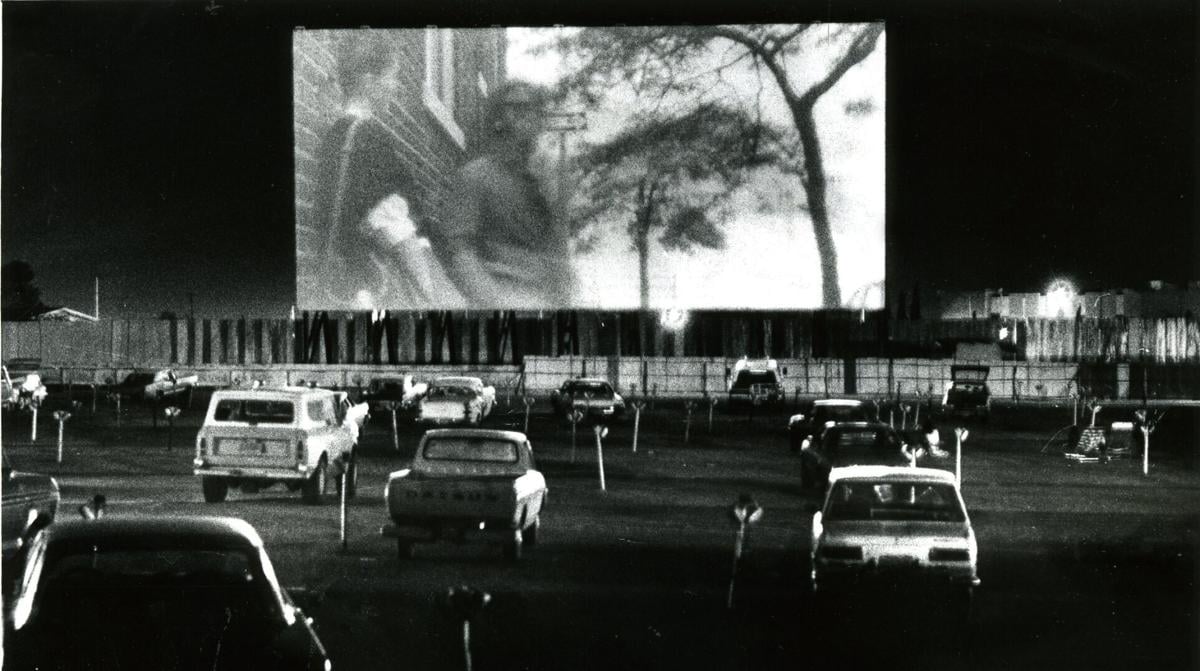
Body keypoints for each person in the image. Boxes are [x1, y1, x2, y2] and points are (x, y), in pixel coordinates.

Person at [310, 32, 466, 310]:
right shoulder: (371, 137)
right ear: (369, 83)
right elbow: (394, 229)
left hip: (348, 286)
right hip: (377, 287)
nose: (396, 86)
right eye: (392, 77)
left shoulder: (335, 137)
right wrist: (434, 294)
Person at [440, 81, 576, 308]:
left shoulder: (546, 181)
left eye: (533, 109)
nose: (525, 116)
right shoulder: (476, 176)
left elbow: (559, 252)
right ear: (498, 119)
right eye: (515, 108)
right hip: (498, 297)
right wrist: (496, 303)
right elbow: (459, 251)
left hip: (543, 300)